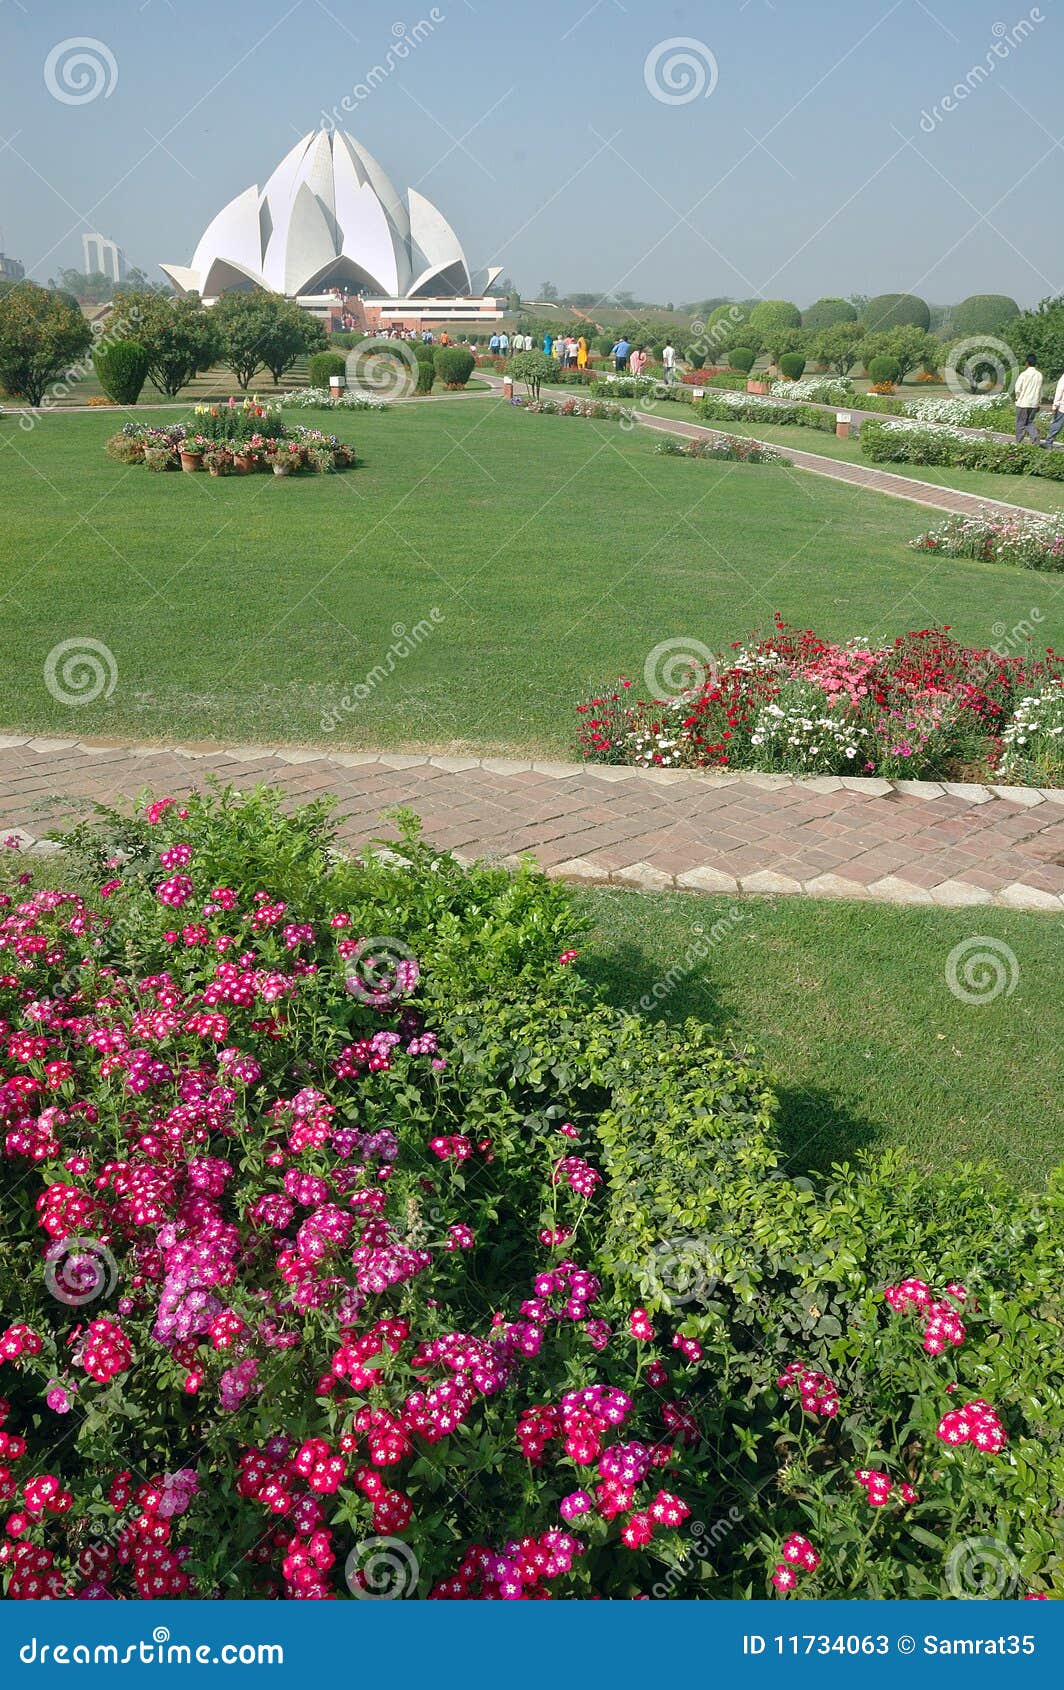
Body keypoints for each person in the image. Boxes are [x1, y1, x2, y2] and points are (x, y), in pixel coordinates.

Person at [1013, 353, 1043, 442]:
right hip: (1034, 403)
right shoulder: (1039, 375)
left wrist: (1018, 397)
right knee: (1029, 422)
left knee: (1020, 423)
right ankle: (1035, 437)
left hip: (1023, 403)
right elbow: (1040, 390)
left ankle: (1019, 442)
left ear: (1027, 363)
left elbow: (1017, 389)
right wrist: (1039, 402)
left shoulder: (1023, 374)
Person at [1041, 368, 1064, 448]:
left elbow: (1060, 391)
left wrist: (1055, 405)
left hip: (1062, 406)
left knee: (1057, 424)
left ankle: (1049, 442)